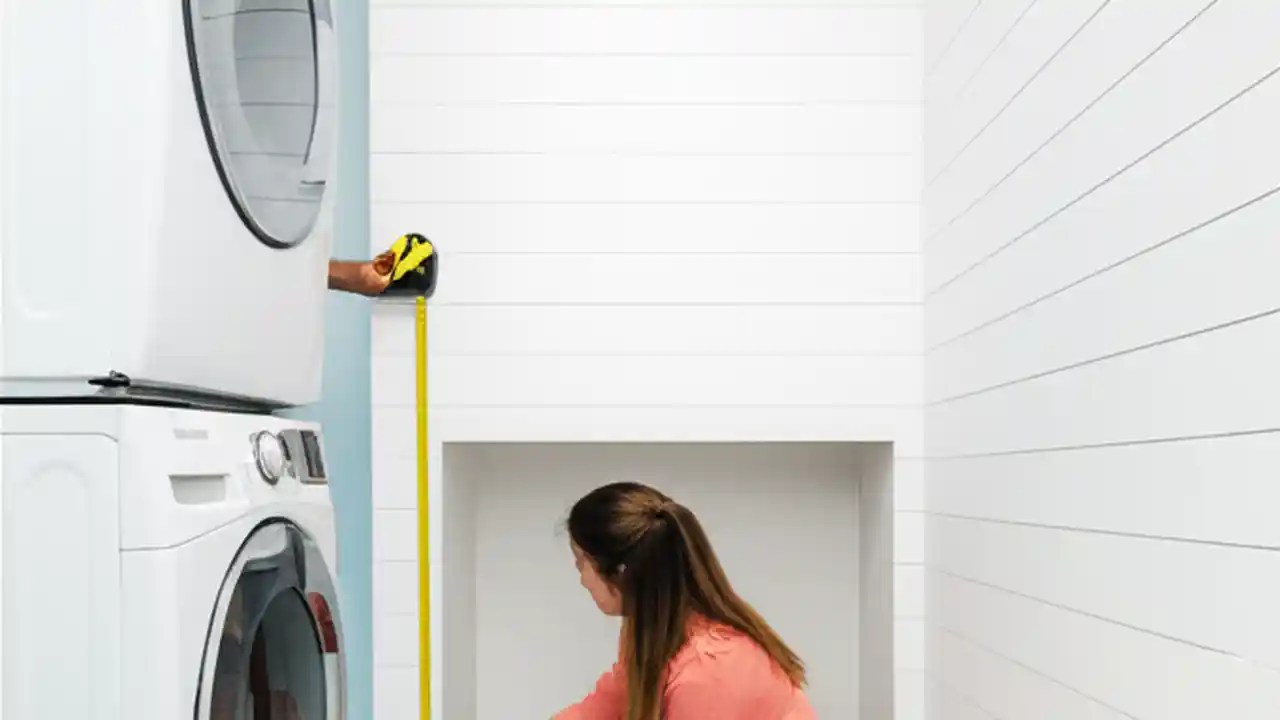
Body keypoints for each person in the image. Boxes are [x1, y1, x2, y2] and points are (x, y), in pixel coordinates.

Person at [557, 482, 815, 720]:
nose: (582, 579)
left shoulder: (708, 671)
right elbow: (606, 704)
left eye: (581, 563)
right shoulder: (651, 631)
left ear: (619, 574)